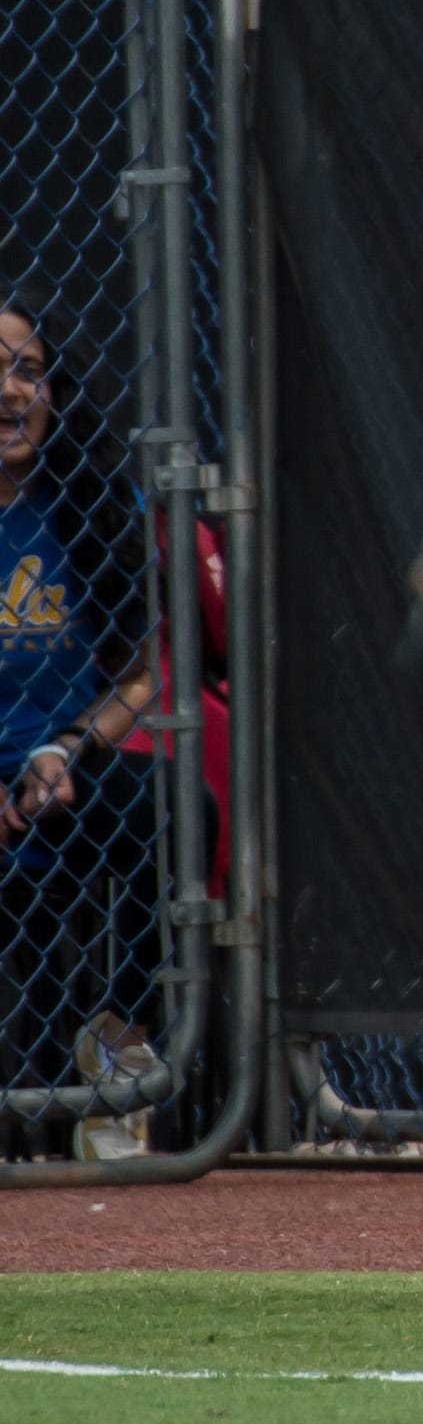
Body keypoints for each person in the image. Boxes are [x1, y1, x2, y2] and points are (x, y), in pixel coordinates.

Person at [0, 295, 163, 1162]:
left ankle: (120, 1039)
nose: (9, 390)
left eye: (27, 369)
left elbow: (138, 675)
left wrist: (66, 747)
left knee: (173, 811)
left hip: (58, 769)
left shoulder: (95, 504)